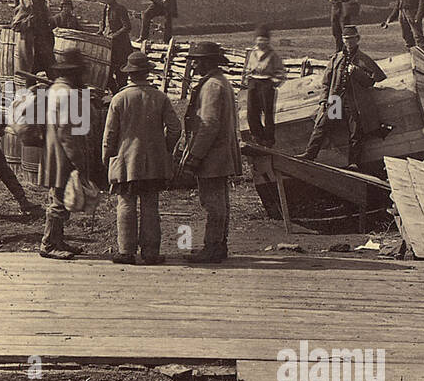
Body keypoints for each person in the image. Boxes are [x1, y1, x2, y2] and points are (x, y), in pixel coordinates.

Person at [103, 51, 181, 265]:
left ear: (129, 75)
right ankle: (150, 253)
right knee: (150, 205)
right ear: (147, 73)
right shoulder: (159, 97)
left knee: (125, 203)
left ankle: (126, 251)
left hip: (127, 161)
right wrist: (165, 148)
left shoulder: (119, 98)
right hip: (153, 163)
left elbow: (110, 134)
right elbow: (175, 128)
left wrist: (107, 157)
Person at [178, 41, 242, 263]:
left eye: (196, 60)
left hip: (213, 155)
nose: (193, 65)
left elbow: (208, 125)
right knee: (220, 202)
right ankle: (218, 245)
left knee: (212, 203)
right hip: (220, 153)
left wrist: (195, 156)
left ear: (207, 62)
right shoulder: (219, 82)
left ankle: (213, 247)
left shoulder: (212, 86)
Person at [300, 24, 388, 166]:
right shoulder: (336, 58)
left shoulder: (363, 59)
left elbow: (372, 81)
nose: (349, 42)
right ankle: (310, 154)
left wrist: (357, 73)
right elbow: (326, 82)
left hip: (355, 102)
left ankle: (353, 163)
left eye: (352, 39)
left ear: (357, 39)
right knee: (323, 125)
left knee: (356, 132)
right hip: (336, 100)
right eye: (346, 39)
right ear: (342, 40)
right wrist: (323, 101)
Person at [40, 48, 91, 260]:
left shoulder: (54, 89)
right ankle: (49, 244)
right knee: (59, 201)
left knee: (57, 196)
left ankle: (58, 240)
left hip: (52, 153)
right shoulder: (67, 94)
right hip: (63, 157)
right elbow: (67, 133)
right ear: (75, 72)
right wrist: (78, 161)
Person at [244, 25, 287, 147]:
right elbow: (247, 68)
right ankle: (257, 137)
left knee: (267, 113)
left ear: (268, 41)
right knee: (252, 112)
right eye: (259, 39)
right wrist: (248, 78)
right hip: (253, 84)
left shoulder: (273, 55)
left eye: (264, 39)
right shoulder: (252, 53)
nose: (261, 41)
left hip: (266, 84)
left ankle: (268, 140)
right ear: (255, 40)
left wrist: (273, 82)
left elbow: (281, 72)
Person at [11, 0, 55, 77]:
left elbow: (50, 22)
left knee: (48, 74)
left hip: (45, 45)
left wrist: (52, 22)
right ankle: (31, 91)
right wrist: (29, 21)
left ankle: (43, 92)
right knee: (31, 74)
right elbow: (15, 26)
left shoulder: (43, 6)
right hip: (30, 45)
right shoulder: (24, 6)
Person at [99, 0, 134, 90]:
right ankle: (116, 95)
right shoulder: (105, 9)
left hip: (120, 48)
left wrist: (113, 37)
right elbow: (105, 26)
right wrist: (100, 32)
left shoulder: (120, 9)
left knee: (121, 75)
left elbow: (127, 27)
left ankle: (121, 98)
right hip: (109, 48)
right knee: (106, 75)